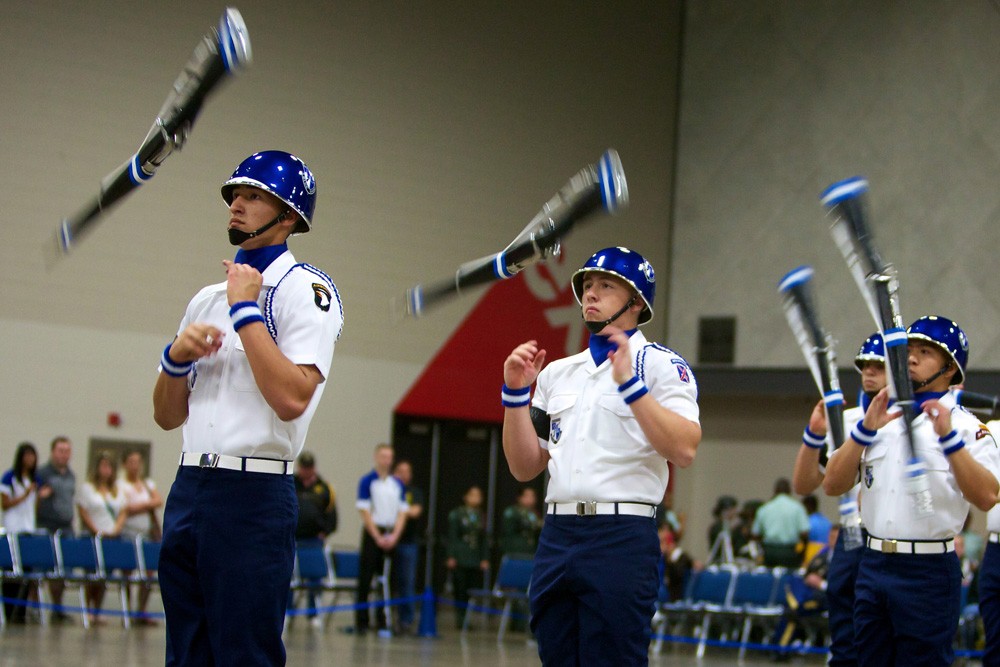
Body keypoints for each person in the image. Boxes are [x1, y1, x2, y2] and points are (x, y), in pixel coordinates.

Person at [152, 151, 342, 666]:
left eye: (253, 196)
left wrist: (245, 310)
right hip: (190, 487)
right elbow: (167, 417)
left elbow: (292, 398)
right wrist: (174, 359)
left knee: (245, 654)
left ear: (289, 215)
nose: (236, 204)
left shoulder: (308, 290)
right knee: (185, 652)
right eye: (234, 195)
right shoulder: (206, 298)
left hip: (253, 494)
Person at [501, 246, 701, 665]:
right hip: (557, 533)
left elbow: (684, 449)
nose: (590, 293)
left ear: (636, 301)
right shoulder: (556, 373)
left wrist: (631, 386)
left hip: (620, 536)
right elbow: (524, 467)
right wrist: (515, 394)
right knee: (555, 655)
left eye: (606, 285)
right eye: (587, 285)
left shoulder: (661, 366)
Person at [824, 315, 1000, 667]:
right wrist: (864, 430)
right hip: (873, 562)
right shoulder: (880, 419)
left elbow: (987, 496)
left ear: (951, 368)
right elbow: (833, 484)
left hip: (928, 570)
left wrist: (949, 440)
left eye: (925, 352)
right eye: (908, 352)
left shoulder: (967, 428)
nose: (912, 359)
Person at [791, 332, 886, 667]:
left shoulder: (908, 421)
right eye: (865, 365)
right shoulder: (843, 420)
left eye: (879, 365)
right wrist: (814, 434)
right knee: (845, 639)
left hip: (887, 538)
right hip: (851, 536)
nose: (869, 371)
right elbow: (804, 484)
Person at [354, 443, 407, 635]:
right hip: (373, 533)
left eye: (389, 457)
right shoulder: (368, 481)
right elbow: (364, 510)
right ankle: (362, 622)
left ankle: (384, 620)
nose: (386, 460)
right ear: (376, 457)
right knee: (366, 578)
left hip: (391, 533)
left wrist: (394, 536)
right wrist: (376, 535)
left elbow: (402, 512)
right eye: (383, 456)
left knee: (389, 579)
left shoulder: (397, 484)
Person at [76, 450, 128, 626]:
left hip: (112, 537)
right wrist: (96, 530)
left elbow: (123, 511)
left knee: (106, 575)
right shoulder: (87, 488)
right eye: (103, 466)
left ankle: (97, 610)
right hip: (93, 537)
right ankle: (88, 609)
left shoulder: (117, 490)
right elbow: (83, 511)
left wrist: (116, 529)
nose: (106, 470)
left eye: (109, 467)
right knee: (92, 575)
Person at [772, 524, 838, 661]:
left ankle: (780, 649)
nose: (832, 540)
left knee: (792, 610)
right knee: (792, 604)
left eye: (836, 537)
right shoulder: (823, 554)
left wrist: (821, 584)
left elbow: (843, 587)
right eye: (831, 536)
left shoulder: (846, 559)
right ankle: (780, 648)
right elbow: (808, 572)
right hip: (808, 594)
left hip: (826, 598)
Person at [35, 436, 76, 621]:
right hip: (46, 526)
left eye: (67, 451)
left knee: (63, 571)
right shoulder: (42, 474)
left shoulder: (71, 475)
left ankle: (57, 609)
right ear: (53, 452)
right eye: (60, 450)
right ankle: (35, 608)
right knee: (41, 568)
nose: (64, 454)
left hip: (66, 527)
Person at [120, 448, 163, 625]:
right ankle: (127, 609)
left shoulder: (147, 484)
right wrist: (146, 505)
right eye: (131, 462)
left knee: (148, 572)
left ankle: (141, 610)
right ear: (125, 464)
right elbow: (125, 508)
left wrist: (140, 506)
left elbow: (158, 501)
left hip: (146, 534)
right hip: (128, 534)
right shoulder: (120, 485)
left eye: (138, 462)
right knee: (127, 572)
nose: (135, 466)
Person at [1, 442, 39, 623]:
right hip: (13, 529)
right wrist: (25, 494)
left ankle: (21, 611)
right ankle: (9, 610)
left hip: (28, 529)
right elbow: (5, 504)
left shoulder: (34, 479)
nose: (30, 459)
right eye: (27, 455)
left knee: (26, 573)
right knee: (11, 572)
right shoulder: (9, 477)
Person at [446, 485, 490, 630]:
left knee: (471, 589)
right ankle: (460, 619)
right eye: (472, 495)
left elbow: (483, 538)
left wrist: (484, 558)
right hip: (460, 555)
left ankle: (467, 619)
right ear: (465, 497)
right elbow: (452, 536)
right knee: (460, 589)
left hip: (474, 557)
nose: (476, 498)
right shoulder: (457, 514)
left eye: (478, 495)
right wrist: (451, 555)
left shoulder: (480, 515)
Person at [392, 459, 424, 635]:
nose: (403, 475)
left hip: (408, 543)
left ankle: (406, 620)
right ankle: (384, 618)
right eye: (400, 471)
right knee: (387, 582)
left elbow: (416, 511)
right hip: (388, 543)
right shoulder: (389, 489)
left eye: (407, 471)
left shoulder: (414, 492)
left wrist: (400, 509)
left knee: (407, 583)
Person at [751, 478, 809, 569]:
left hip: (769, 551)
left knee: (770, 576)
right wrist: (802, 554)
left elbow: (755, 534)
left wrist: (762, 548)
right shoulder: (797, 508)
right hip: (789, 551)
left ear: (775, 491)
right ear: (789, 491)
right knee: (789, 576)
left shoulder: (764, 508)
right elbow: (805, 533)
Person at [499, 486, 542, 557]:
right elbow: (509, 528)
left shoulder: (534, 514)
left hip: (531, 552)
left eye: (532, 496)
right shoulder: (512, 511)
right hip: (514, 552)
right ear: (519, 498)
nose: (530, 499)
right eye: (527, 496)